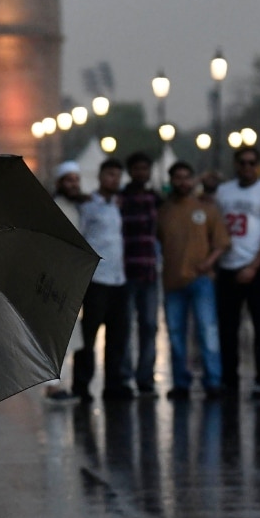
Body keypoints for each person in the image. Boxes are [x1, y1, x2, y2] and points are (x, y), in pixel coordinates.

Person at [157, 161, 228, 398]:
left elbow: (221, 242)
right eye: (177, 178)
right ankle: (181, 382)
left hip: (201, 279)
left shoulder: (207, 209)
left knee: (207, 330)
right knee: (176, 334)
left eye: (187, 177)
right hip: (172, 281)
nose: (182, 182)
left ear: (193, 179)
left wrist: (209, 263)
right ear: (171, 181)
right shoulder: (164, 211)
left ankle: (213, 380)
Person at [214, 146, 260, 397]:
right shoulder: (224, 192)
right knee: (227, 327)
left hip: (254, 267)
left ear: (258, 165)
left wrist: (254, 266)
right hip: (227, 266)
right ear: (235, 165)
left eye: (252, 163)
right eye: (242, 163)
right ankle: (229, 376)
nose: (247, 167)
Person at [71, 158, 129, 400]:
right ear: (100, 177)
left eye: (117, 175)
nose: (113, 180)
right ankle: (82, 385)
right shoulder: (88, 206)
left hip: (118, 280)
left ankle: (113, 384)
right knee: (90, 335)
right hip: (97, 280)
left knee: (118, 335)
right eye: (109, 175)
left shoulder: (117, 205)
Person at [119, 152, 162, 395]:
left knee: (149, 325)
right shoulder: (121, 199)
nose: (141, 173)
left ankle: (145, 377)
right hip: (125, 272)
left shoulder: (156, 199)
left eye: (145, 169)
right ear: (131, 171)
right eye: (137, 169)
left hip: (149, 272)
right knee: (125, 327)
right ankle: (125, 376)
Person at [46, 161, 87, 400]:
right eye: (69, 180)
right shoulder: (55, 208)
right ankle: (53, 385)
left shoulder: (77, 207)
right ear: (60, 183)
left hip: (73, 279)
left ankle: (59, 384)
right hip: (57, 279)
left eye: (76, 180)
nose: (73, 184)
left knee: (68, 334)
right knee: (58, 333)